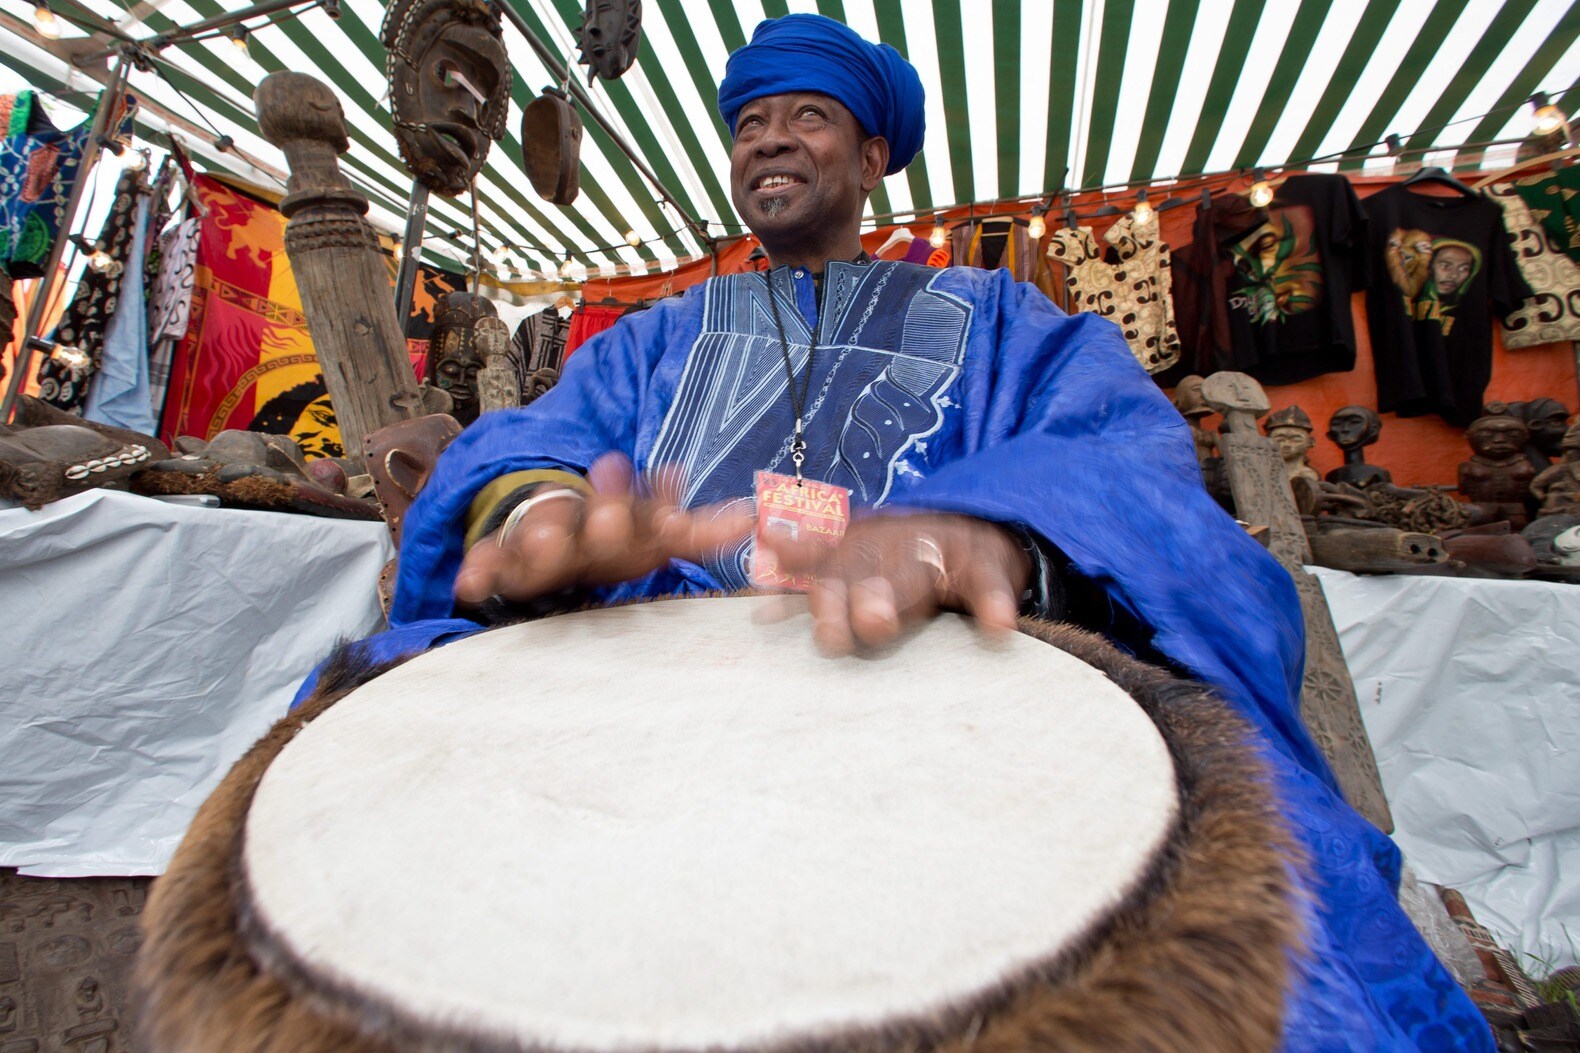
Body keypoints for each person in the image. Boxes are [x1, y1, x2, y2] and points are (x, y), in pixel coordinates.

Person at [313, 14, 1490, 1052]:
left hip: (948, 693)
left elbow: (1122, 460)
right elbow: (536, 438)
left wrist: (987, 533)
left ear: (872, 155)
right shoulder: (647, 341)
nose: (767, 140)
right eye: (749, 123)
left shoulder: (1000, 319)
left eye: (806, 118)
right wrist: (540, 514)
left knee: (1262, 921)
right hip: (644, 702)